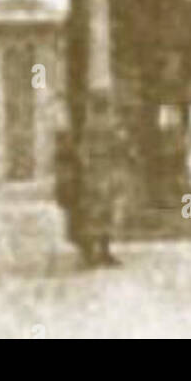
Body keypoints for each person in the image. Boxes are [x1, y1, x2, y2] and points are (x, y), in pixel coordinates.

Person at [75, 90, 123, 268]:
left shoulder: (89, 125)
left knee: (93, 213)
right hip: (105, 170)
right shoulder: (110, 124)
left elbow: (83, 151)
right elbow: (118, 147)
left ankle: (92, 252)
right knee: (104, 212)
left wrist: (86, 167)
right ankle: (103, 251)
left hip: (95, 173)